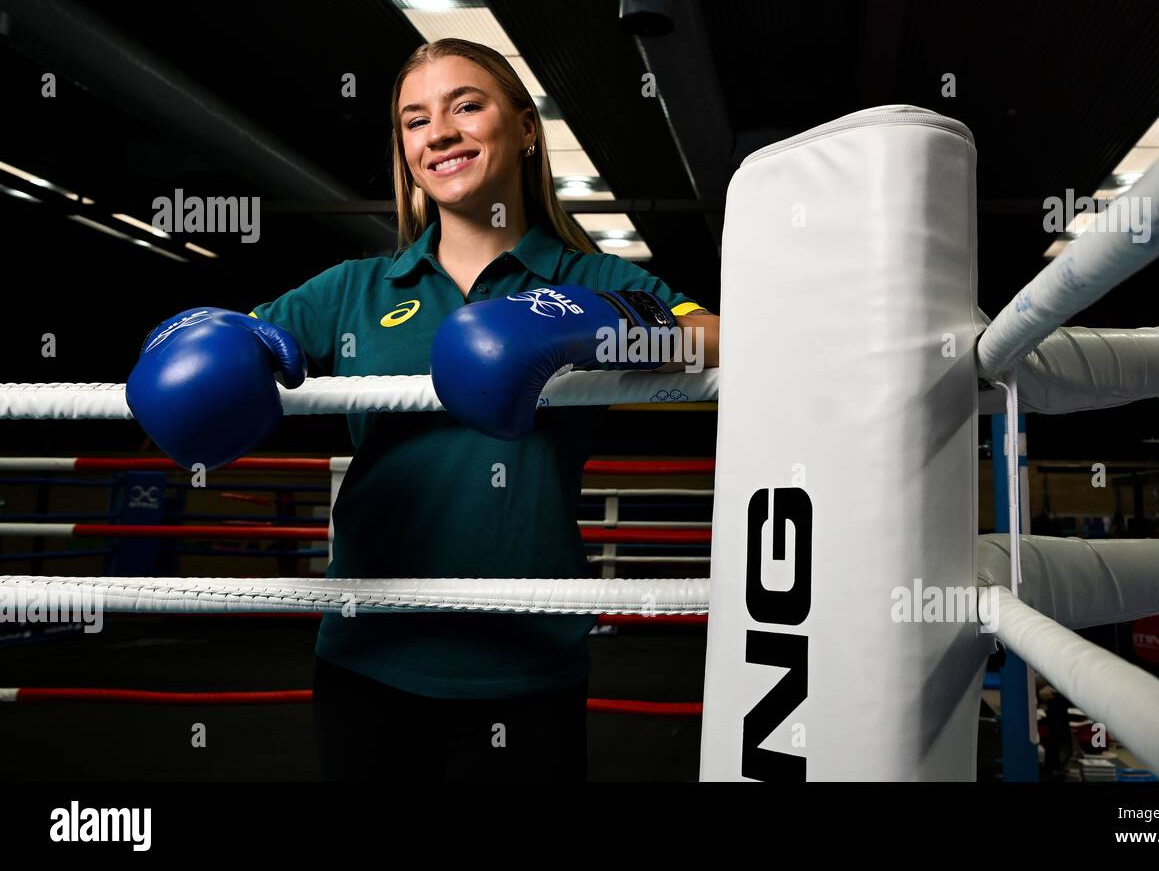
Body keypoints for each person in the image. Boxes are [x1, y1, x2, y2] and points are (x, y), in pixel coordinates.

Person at [128, 38, 720, 781]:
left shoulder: (587, 275)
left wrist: (584, 319)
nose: (438, 131)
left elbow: (717, 340)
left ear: (525, 127)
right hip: (369, 656)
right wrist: (212, 346)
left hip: (528, 664)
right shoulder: (356, 290)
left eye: (466, 105)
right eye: (415, 120)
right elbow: (213, 350)